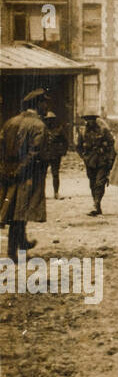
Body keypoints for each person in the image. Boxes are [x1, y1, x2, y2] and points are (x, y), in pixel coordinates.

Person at [1, 89, 49, 260]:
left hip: (7, 174)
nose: (46, 106)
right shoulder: (39, 126)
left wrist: (6, 171)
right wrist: (20, 171)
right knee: (20, 214)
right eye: (44, 102)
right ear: (37, 104)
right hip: (27, 176)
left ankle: (22, 246)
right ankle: (15, 252)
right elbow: (35, 153)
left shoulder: (10, 122)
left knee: (16, 211)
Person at [76, 111, 115, 217]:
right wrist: (84, 157)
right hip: (90, 162)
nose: (90, 121)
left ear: (95, 119)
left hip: (102, 160)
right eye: (87, 119)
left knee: (100, 183)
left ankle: (96, 204)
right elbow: (78, 147)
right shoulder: (83, 132)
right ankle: (97, 205)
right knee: (92, 183)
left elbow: (112, 145)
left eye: (92, 119)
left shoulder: (104, 130)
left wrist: (110, 159)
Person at [42, 112, 67, 199]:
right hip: (44, 155)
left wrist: (63, 151)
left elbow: (65, 141)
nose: (50, 121)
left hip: (55, 155)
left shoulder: (59, 129)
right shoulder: (42, 130)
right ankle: (41, 194)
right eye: (48, 120)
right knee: (42, 175)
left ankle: (56, 193)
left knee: (55, 174)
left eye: (51, 120)